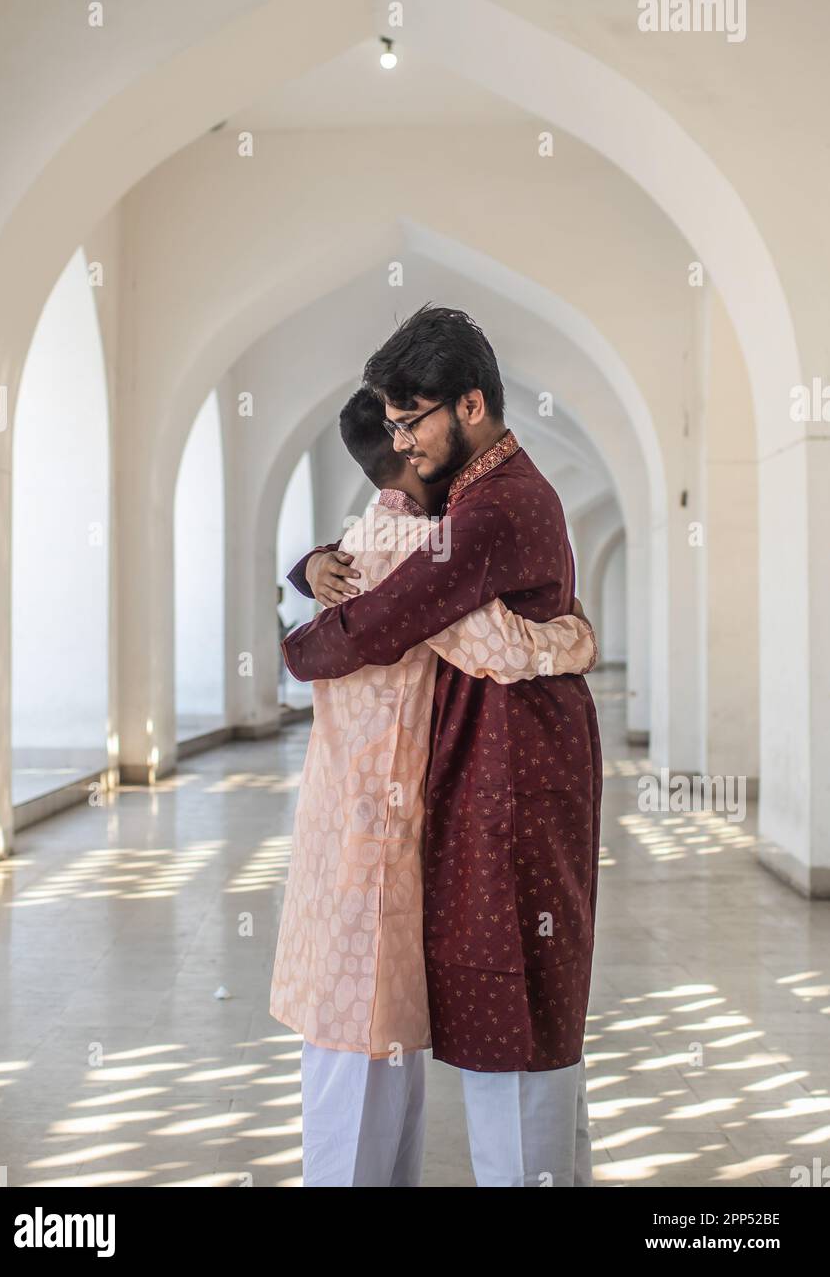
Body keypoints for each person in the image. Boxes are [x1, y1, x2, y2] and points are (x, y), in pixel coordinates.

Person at [283, 306, 603, 1187]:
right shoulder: (476, 494)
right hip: (497, 776)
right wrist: (314, 564)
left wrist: (295, 646)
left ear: (469, 405)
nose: (401, 443)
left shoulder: (493, 509)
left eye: (410, 421)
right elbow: (391, 556)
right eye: (388, 426)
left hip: (517, 783)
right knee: (516, 1018)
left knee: (523, 1025)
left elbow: (386, 615)